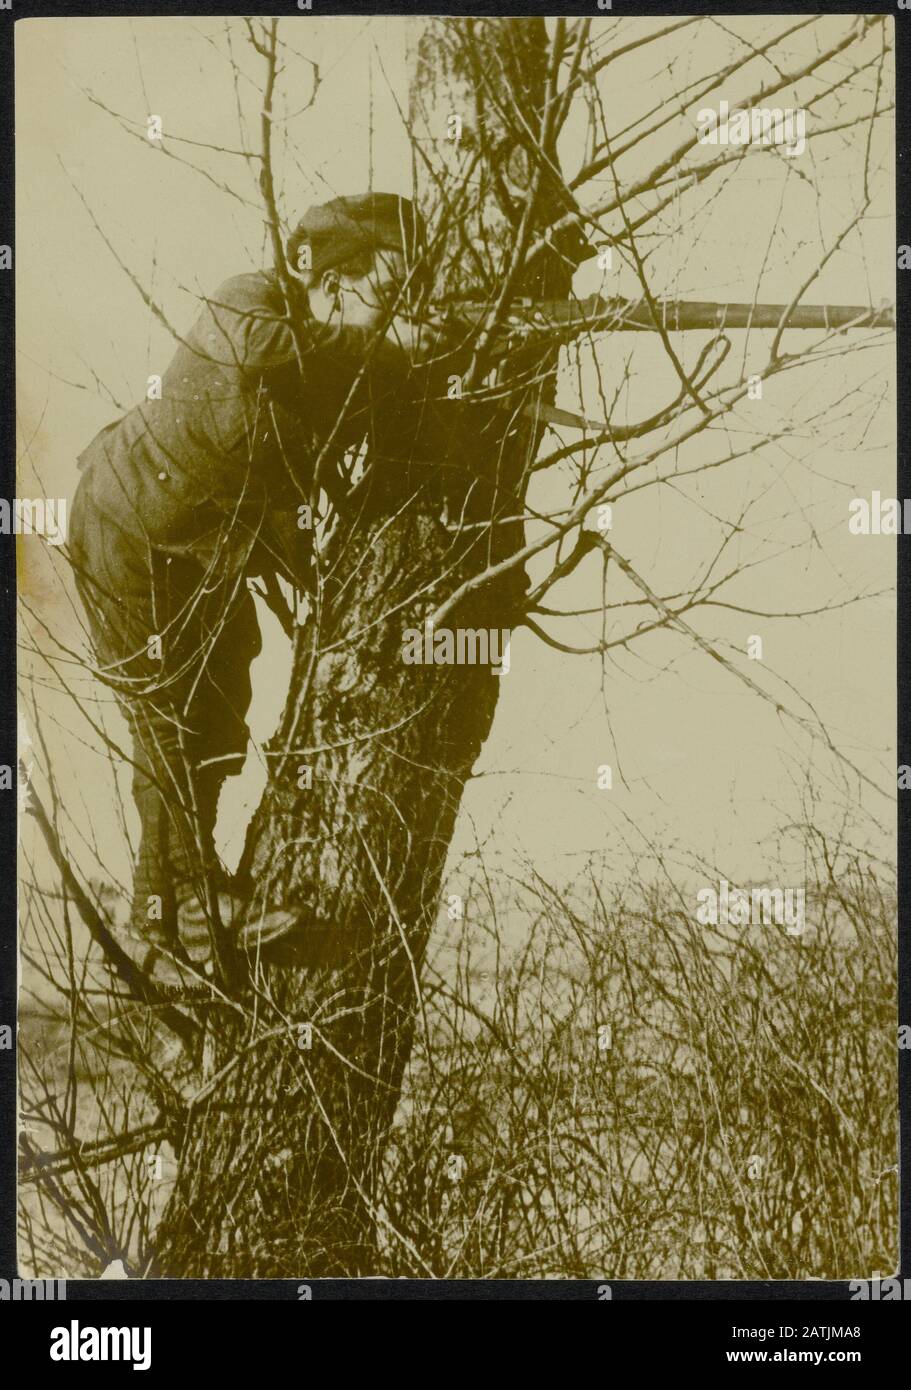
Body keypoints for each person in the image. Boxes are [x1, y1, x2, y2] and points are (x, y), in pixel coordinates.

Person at [69, 192, 432, 984]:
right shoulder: (252, 303)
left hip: (198, 551)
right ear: (322, 276)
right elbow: (271, 348)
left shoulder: (335, 371)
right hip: (122, 521)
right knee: (164, 716)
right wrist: (388, 348)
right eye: (374, 287)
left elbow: (305, 475)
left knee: (225, 688)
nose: (378, 311)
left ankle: (168, 911)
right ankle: (190, 914)